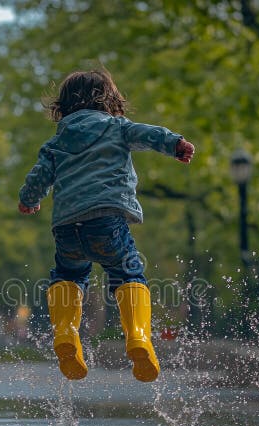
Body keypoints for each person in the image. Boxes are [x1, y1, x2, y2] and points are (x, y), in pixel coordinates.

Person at [18, 69, 195, 382]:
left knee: (68, 274)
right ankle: (139, 338)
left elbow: (37, 177)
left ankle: (66, 336)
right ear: (110, 100)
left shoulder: (57, 141)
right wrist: (175, 144)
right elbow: (148, 134)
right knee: (127, 272)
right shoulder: (117, 127)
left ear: (64, 105)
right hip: (107, 220)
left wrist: (29, 200)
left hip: (67, 227)